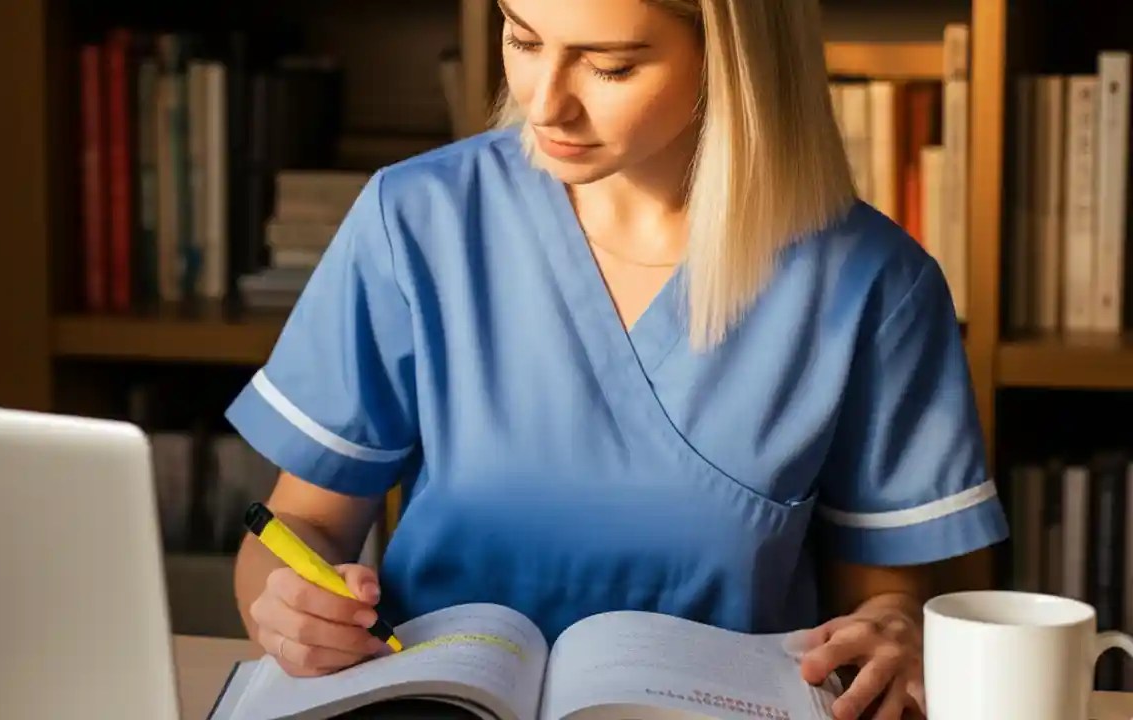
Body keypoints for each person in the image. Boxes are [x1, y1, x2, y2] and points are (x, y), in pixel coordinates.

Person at [225, 0, 1008, 717]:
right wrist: (288, 603)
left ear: (731, 58)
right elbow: (300, 525)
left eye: (610, 66)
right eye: (523, 39)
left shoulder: (872, 285)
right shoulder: (418, 220)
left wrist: (896, 631)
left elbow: (885, 605)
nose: (545, 101)